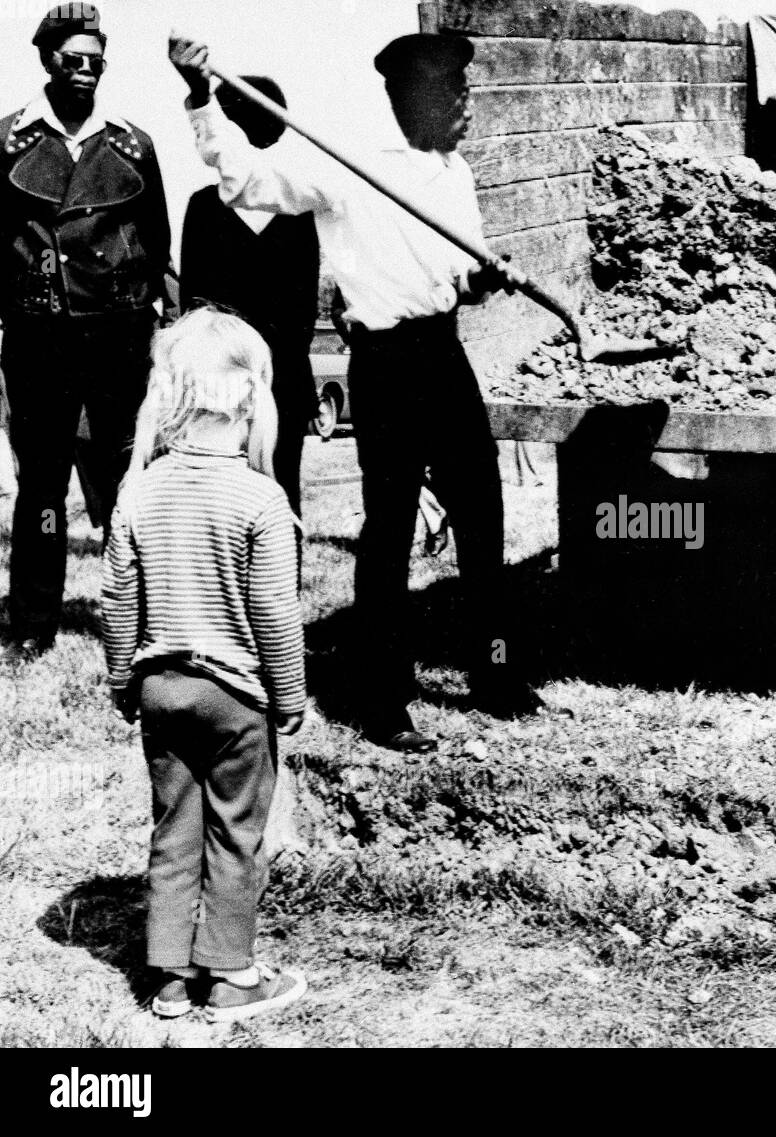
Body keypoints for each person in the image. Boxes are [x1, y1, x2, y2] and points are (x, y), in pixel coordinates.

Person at [169, 30, 538, 753]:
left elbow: (457, 273)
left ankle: (494, 676)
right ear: (417, 97)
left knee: (482, 514)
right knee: (390, 528)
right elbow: (245, 180)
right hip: (387, 362)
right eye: (455, 92)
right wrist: (200, 97)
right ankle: (383, 699)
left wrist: (482, 279)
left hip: (445, 352)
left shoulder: (455, 174)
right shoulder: (349, 169)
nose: (468, 104)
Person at [102, 307, 308, 1022]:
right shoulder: (261, 498)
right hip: (234, 696)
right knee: (235, 829)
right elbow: (275, 615)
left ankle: (168, 980)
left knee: (173, 826)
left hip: (161, 688)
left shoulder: (140, 491)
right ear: (253, 400)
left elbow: (117, 600)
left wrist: (123, 680)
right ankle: (232, 976)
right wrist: (289, 696)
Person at [0, 3, 171, 661]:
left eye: (96, 61)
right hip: (39, 333)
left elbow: (155, 243)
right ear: (46, 59)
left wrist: (155, 323)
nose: (85, 72)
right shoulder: (10, 144)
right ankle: (34, 623)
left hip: (118, 335)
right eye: (73, 59)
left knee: (126, 476)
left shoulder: (133, 146)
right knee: (42, 483)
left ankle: (138, 613)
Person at [180, 77, 320, 521]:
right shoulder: (208, 208)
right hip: (229, 383)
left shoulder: (298, 209)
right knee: (241, 496)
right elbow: (196, 309)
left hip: (269, 380)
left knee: (278, 493)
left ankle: (277, 583)